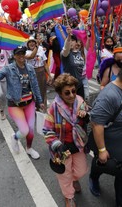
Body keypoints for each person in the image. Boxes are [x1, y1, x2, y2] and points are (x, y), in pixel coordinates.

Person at [88, 64, 122, 207]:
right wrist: (101, 150)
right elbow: (96, 123)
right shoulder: (109, 95)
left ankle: (121, 203)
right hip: (110, 149)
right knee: (100, 166)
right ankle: (93, 178)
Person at [0, 46, 44, 159]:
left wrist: (40, 101)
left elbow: (35, 85)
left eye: (23, 53)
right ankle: (15, 137)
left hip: (29, 103)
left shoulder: (30, 68)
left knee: (31, 130)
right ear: (14, 56)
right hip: (15, 104)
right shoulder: (8, 68)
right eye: (19, 54)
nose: (21, 56)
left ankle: (29, 148)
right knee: (24, 130)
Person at [43, 73, 90, 207]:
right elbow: (47, 130)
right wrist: (57, 145)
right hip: (62, 148)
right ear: (59, 93)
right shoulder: (53, 107)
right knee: (64, 174)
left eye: (73, 91)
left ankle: (73, 180)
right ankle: (68, 196)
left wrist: (86, 116)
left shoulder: (80, 101)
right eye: (67, 93)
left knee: (81, 170)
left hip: (78, 145)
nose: (71, 95)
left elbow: (88, 113)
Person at [26, 39, 52, 110]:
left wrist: (49, 75)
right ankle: (34, 107)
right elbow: (31, 56)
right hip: (31, 73)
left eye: (33, 42)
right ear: (27, 44)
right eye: (30, 42)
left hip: (41, 72)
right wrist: (37, 47)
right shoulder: (26, 52)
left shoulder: (41, 50)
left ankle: (43, 107)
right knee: (33, 91)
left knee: (42, 90)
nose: (32, 44)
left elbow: (45, 64)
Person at [61, 27, 86, 99]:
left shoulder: (80, 53)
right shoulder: (65, 54)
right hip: (69, 86)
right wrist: (68, 36)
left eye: (73, 40)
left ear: (76, 42)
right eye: (69, 40)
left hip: (80, 85)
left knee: (81, 107)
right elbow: (66, 48)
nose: (71, 42)